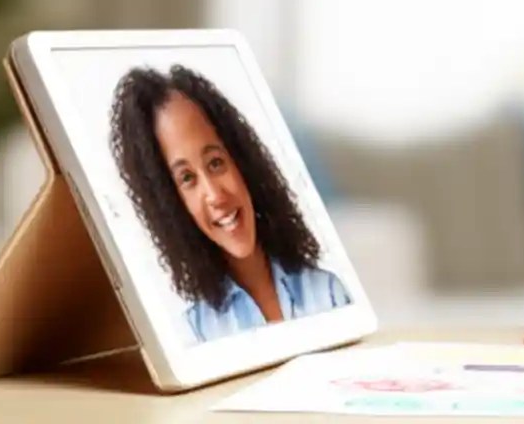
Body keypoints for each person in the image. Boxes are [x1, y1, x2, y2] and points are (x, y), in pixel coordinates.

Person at [109, 64, 351, 344]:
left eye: (215, 163)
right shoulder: (195, 335)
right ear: (172, 205)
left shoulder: (329, 294)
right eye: (187, 178)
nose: (214, 194)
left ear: (242, 163)